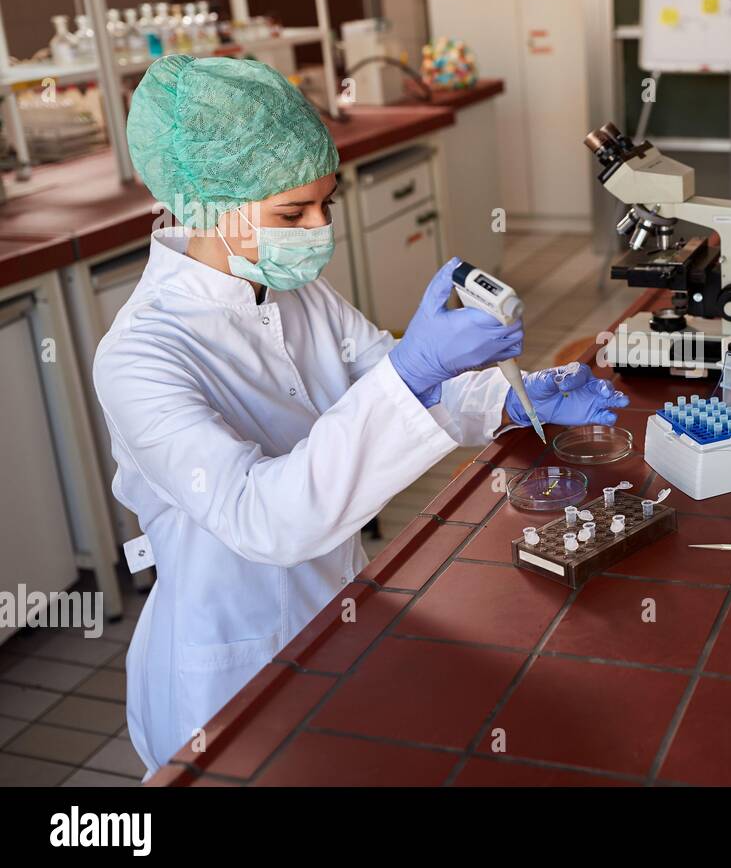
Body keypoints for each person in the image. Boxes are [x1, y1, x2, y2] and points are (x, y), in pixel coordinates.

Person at [95, 55, 627, 776]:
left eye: (326, 204)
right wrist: (412, 372)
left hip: (340, 612)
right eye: (293, 213)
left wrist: (510, 396)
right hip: (229, 665)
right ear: (209, 205)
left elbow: (394, 378)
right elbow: (266, 516)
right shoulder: (140, 356)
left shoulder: (289, 289)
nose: (318, 228)